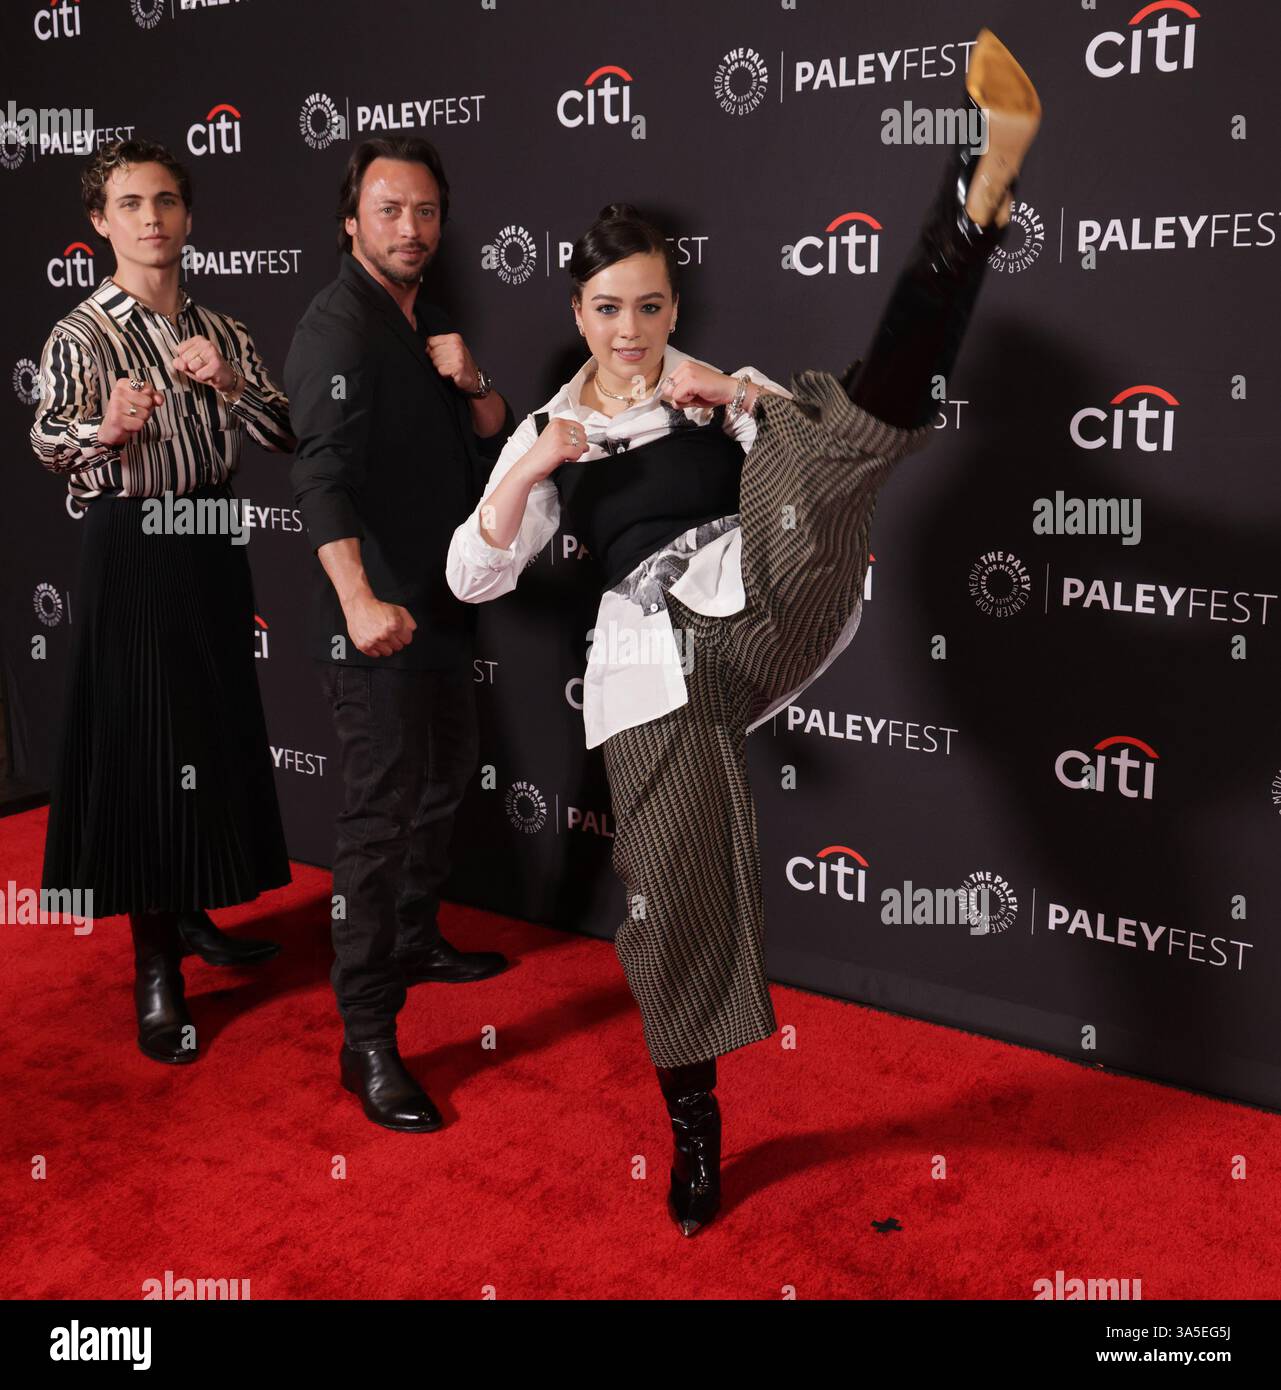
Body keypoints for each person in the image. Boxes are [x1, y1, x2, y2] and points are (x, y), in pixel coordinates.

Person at [447, 30, 1042, 1232]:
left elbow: (803, 454)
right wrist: (528, 475)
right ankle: (696, 1128)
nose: (630, 330)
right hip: (646, 667)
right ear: (578, 308)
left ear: (675, 303)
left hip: (755, 597)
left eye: (652, 307)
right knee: (670, 904)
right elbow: (471, 576)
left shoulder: (703, 380)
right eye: (609, 309)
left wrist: (744, 403)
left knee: (834, 441)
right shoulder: (551, 427)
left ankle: (972, 203)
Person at [30, 138, 295, 1066]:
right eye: (131, 203)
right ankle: (156, 970)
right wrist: (102, 427)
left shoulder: (220, 328)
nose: (152, 218)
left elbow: (287, 429)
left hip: (214, 533)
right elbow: (48, 443)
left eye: (167, 201)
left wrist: (227, 380)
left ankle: (190, 915)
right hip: (134, 542)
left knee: (209, 730)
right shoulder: (80, 334)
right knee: (148, 744)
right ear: (101, 222)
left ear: (188, 217)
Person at [287, 137, 514, 1133]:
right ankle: (366, 1035)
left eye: (424, 212)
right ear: (351, 221)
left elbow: (488, 427)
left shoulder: (426, 319)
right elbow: (317, 478)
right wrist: (357, 602)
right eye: (388, 210)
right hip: (375, 621)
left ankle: (415, 940)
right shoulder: (337, 329)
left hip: (443, 604)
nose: (410, 228)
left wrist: (473, 382)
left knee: (444, 778)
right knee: (379, 819)